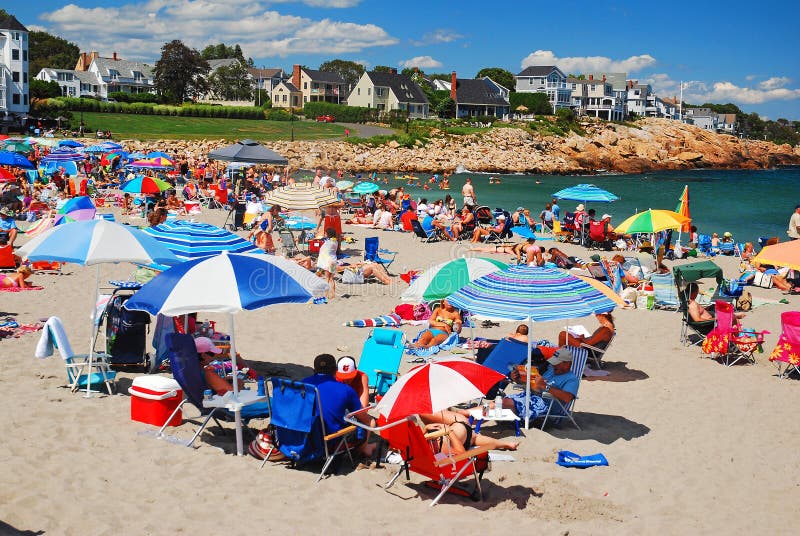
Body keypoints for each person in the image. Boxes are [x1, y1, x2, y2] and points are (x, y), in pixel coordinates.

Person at [302, 354, 373, 453]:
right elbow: (363, 414)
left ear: (314, 369)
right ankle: (364, 449)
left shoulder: (303, 383)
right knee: (370, 422)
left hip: (303, 434)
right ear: (335, 370)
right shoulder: (345, 389)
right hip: (329, 440)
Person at [494, 347, 579, 421]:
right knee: (497, 404)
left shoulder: (571, 379)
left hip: (542, 405)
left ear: (567, 364)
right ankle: (480, 423)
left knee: (500, 404)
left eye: (556, 363)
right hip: (529, 397)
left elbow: (567, 398)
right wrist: (517, 380)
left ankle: (480, 422)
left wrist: (545, 386)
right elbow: (535, 385)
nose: (553, 365)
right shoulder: (551, 369)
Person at [196, 336, 270, 419]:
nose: (213, 357)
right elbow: (233, 394)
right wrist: (239, 384)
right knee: (276, 404)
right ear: (203, 355)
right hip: (232, 408)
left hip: (221, 404)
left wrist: (224, 380)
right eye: (212, 354)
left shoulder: (196, 370)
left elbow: (214, 387)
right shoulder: (208, 372)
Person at [418, 411, 519, 455]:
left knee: (474, 438)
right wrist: (448, 431)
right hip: (461, 425)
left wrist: (426, 428)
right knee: (424, 413)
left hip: (466, 438)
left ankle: (507, 444)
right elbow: (461, 453)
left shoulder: (421, 443)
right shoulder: (441, 447)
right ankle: (507, 444)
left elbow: (418, 437)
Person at [316, 228, 338, 299]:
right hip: (334, 260)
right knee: (332, 279)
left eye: (325, 233)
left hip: (328, 262)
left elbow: (322, 250)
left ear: (328, 234)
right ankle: (333, 294)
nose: (325, 234)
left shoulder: (328, 242)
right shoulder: (335, 241)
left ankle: (326, 294)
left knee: (327, 279)